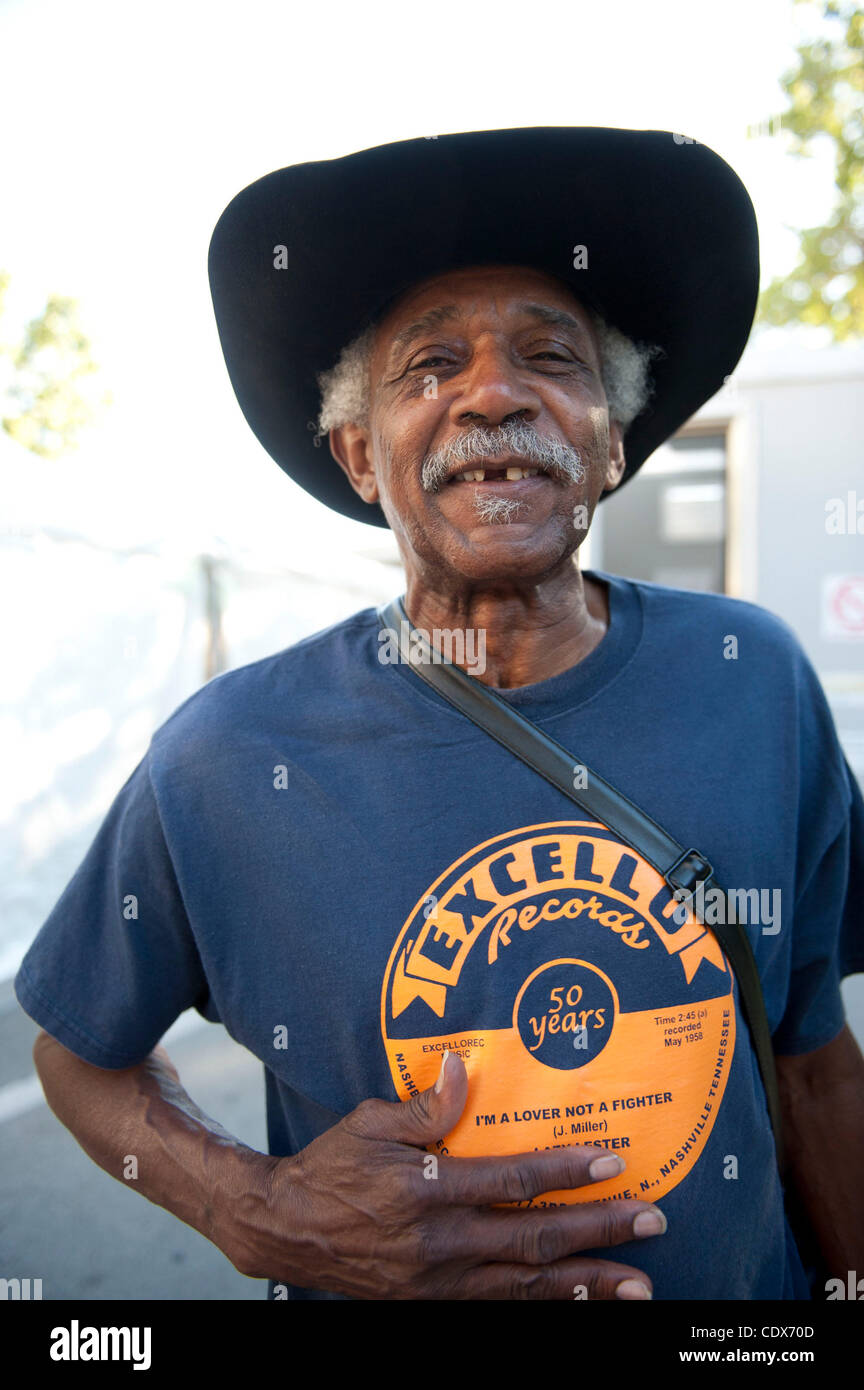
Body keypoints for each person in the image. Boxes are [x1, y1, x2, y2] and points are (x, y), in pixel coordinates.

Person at [16, 127, 864, 1301]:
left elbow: (815, 1064)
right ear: (362, 456)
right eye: (428, 368)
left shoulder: (754, 683)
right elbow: (75, 1055)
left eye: (550, 357)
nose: (494, 394)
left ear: (612, 444)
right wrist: (255, 1213)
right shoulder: (228, 757)